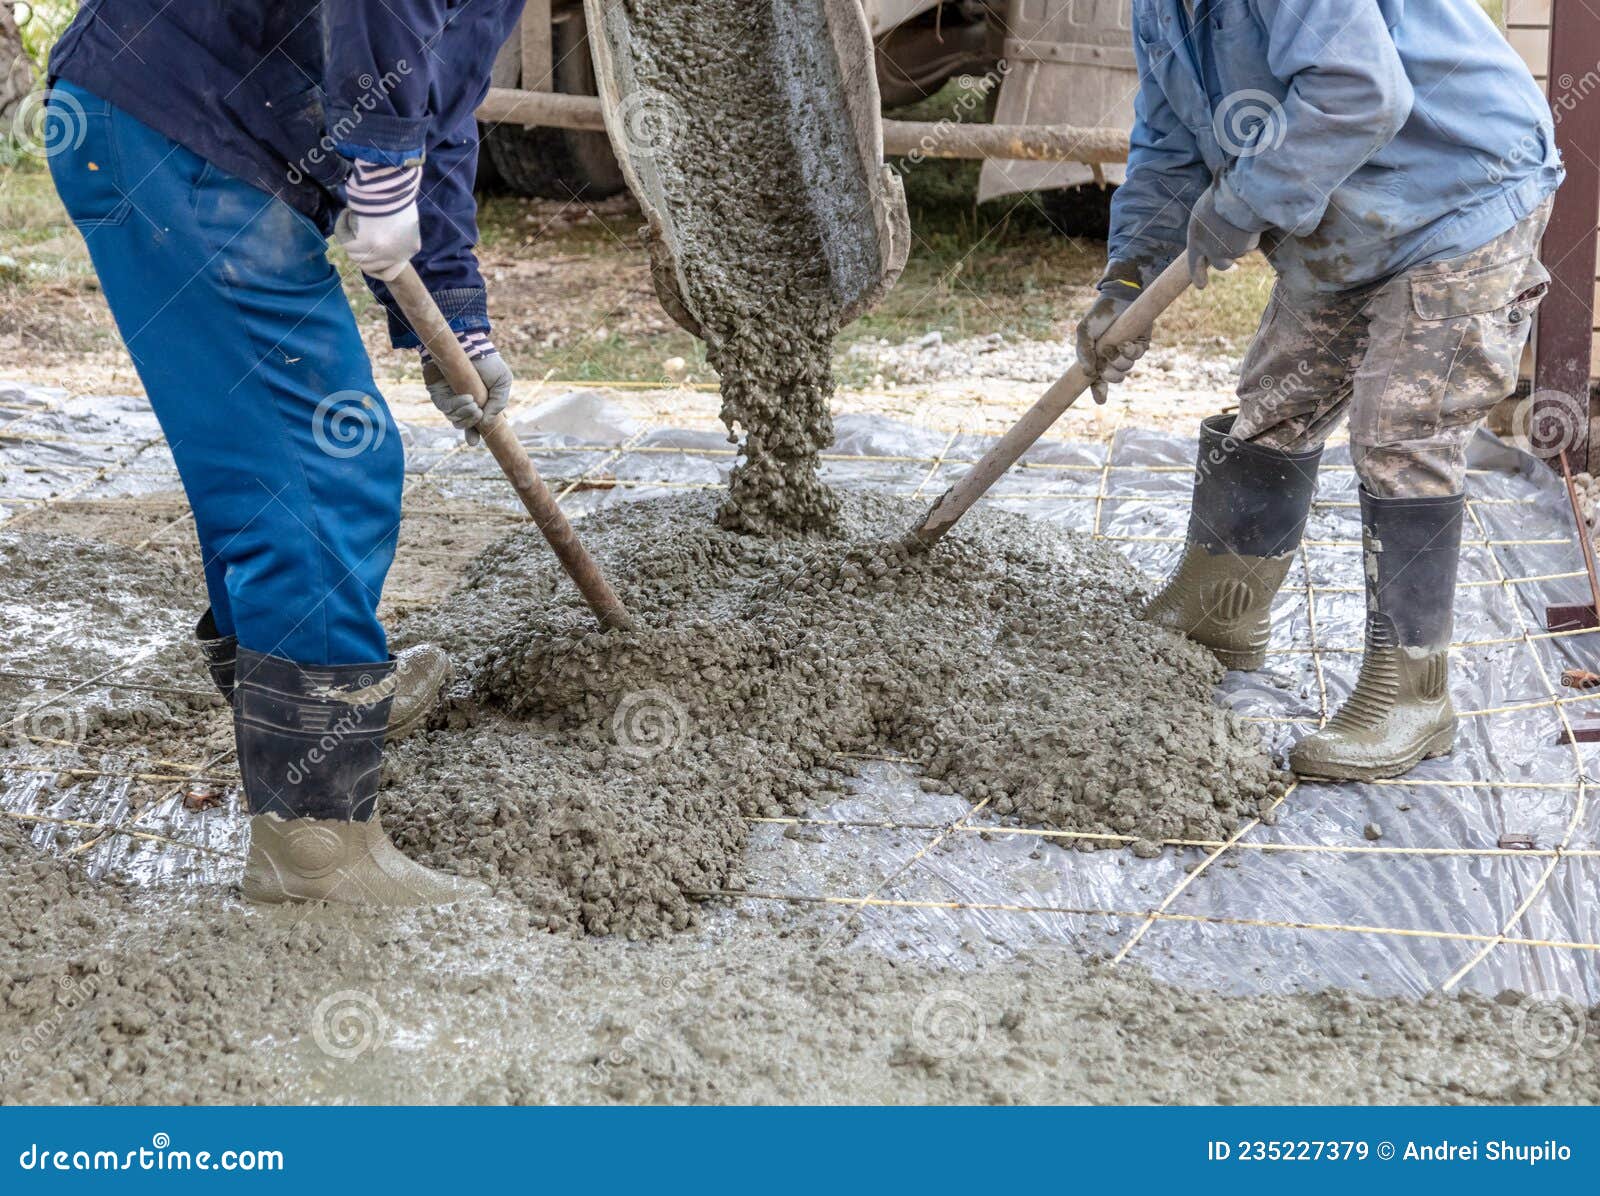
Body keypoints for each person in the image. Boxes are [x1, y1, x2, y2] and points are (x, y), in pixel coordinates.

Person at [44, 0, 524, 903]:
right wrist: (381, 161)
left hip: (159, 117)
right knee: (325, 464)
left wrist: (456, 322)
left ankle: (302, 713)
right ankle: (316, 841)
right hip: (178, 122)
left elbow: (442, 112)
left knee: (260, 462)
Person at [1077, 0, 1564, 782]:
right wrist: (1127, 274)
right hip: (1345, 209)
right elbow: (1168, 140)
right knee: (1275, 401)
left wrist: (1239, 205)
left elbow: (1359, 91)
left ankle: (1412, 692)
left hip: (1460, 193)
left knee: (1401, 431)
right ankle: (1221, 609)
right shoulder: (1159, 8)